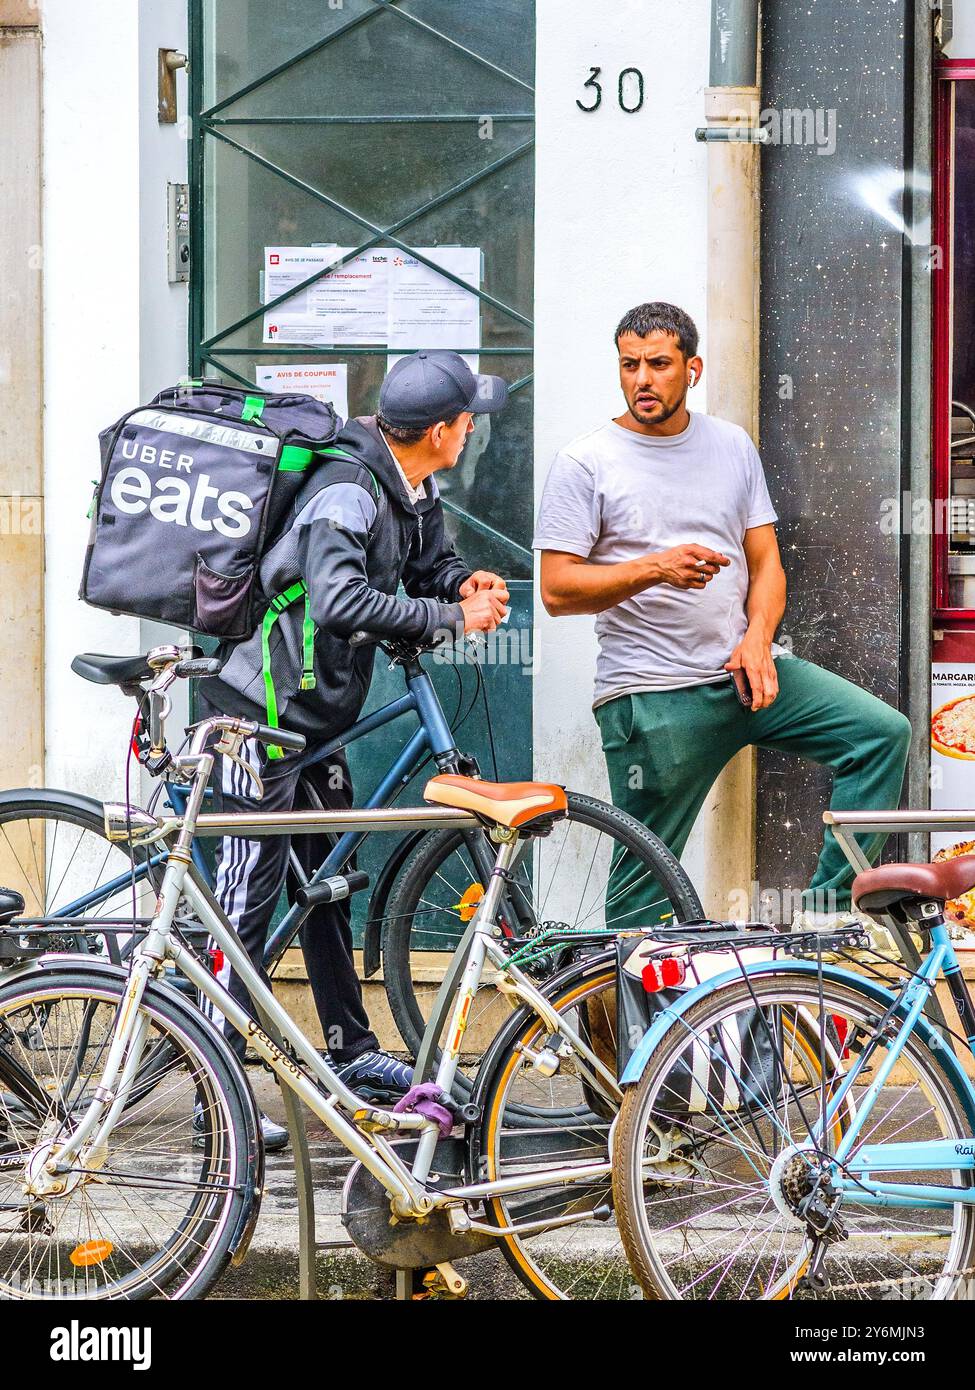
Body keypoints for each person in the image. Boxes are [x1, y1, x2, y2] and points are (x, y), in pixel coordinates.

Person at [198, 351, 511, 1149]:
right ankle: (213, 1083)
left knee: (326, 884)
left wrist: (461, 584)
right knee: (248, 892)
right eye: (468, 419)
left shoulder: (411, 485)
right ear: (443, 431)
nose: (473, 428)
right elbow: (338, 600)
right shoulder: (347, 489)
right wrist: (447, 624)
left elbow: (426, 561)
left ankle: (350, 1048)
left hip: (317, 716)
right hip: (260, 714)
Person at [533, 300, 911, 930]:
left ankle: (819, 921)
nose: (642, 380)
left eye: (658, 364)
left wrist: (759, 638)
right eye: (629, 366)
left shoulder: (731, 445)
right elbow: (555, 589)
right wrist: (654, 568)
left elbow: (766, 563)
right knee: (645, 889)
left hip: (744, 674)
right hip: (654, 697)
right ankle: (638, 1023)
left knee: (881, 735)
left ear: (693, 368)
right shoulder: (586, 462)